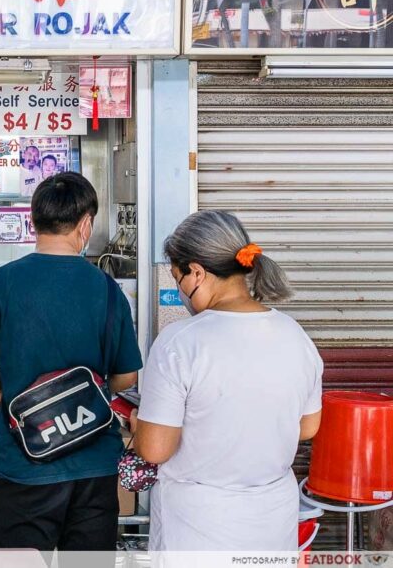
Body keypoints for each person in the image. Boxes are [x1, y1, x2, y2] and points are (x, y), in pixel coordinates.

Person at [0, 172, 142, 551]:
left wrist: (8, 387)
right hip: (93, 465)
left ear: (32, 222)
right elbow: (126, 377)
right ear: (86, 224)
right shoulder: (108, 289)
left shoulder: (1, 282)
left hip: (25, 463)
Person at [130, 210, 323, 551]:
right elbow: (307, 427)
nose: (180, 290)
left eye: (178, 278)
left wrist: (138, 425)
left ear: (197, 272)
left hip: (199, 526)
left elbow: (155, 449)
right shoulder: (295, 335)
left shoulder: (180, 342)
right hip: (272, 519)